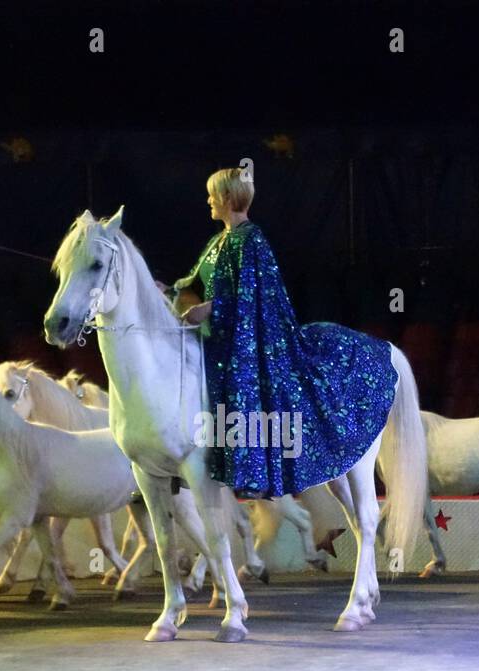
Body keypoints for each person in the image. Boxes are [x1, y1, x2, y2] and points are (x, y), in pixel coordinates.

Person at [154, 167, 398, 499]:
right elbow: (194, 283)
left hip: (246, 344)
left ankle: (252, 470)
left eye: (213, 194)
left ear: (227, 197)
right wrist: (168, 291)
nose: (208, 200)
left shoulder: (251, 240)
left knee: (244, 385)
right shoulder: (217, 241)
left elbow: (255, 296)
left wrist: (211, 308)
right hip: (218, 341)